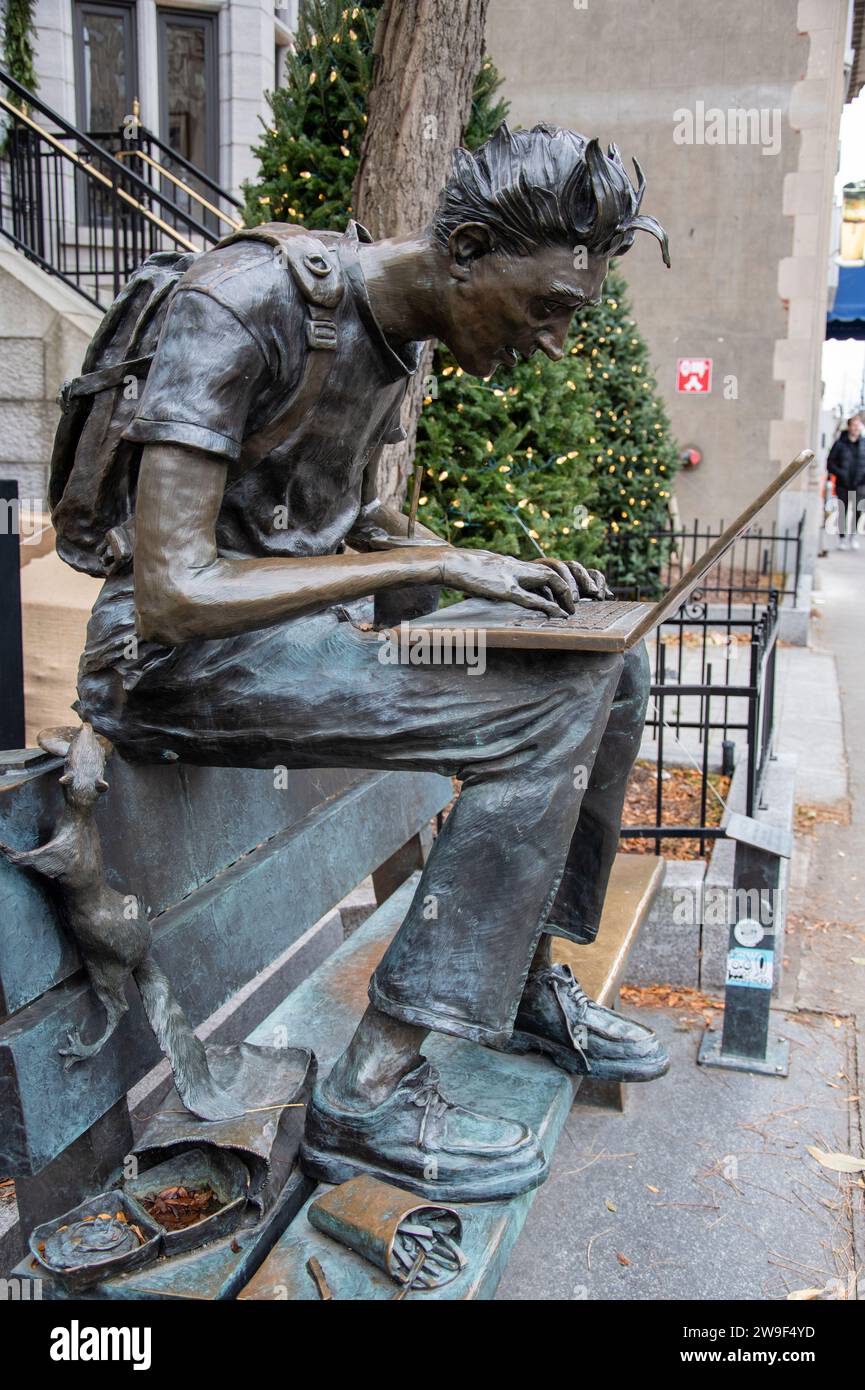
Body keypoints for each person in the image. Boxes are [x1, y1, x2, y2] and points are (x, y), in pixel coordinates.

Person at [74, 125, 672, 1201]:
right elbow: (174, 589)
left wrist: (496, 589)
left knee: (608, 667)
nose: (552, 343)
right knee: (541, 713)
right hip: (170, 663)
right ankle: (371, 1086)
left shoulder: (397, 340)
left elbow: (374, 532)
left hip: (294, 650)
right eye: (548, 309)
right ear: (470, 247)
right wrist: (440, 570)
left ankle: (526, 978)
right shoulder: (243, 301)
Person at [827, 414, 865, 548]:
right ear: (849, 427)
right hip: (843, 484)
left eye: (858, 425)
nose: (856, 428)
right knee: (843, 511)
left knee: (858, 510)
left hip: (860, 484)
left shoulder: (864, 444)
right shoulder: (840, 444)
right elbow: (830, 463)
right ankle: (842, 538)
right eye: (854, 425)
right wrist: (841, 474)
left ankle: (853, 536)